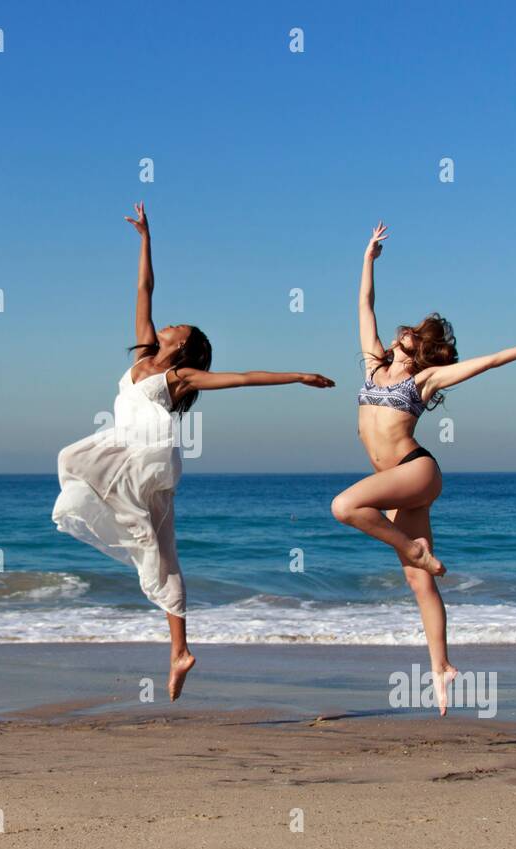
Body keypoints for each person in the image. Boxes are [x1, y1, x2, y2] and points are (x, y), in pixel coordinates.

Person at [53, 202, 335, 700]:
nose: (167, 327)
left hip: (145, 455)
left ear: (182, 348)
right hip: (125, 453)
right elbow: (144, 290)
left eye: (176, 329)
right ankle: (179, 652)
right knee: (158, 551)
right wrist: (145, 237)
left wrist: (298, 376)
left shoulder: (176, 376)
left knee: (77, 467)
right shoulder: (143, 353)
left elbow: (242, 378)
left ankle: (178, 645)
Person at [330, 221, 516, 714]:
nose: (398, 332)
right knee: (418, 581)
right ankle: (442, 668)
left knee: (345, 506)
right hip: (404, 486)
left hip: (416, 470)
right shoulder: (371, 366)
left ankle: (413, 549)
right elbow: (364, 307)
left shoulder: (425, 380)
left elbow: (487, 363)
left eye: (407, 334)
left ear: (415, 347)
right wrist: (368, 258)